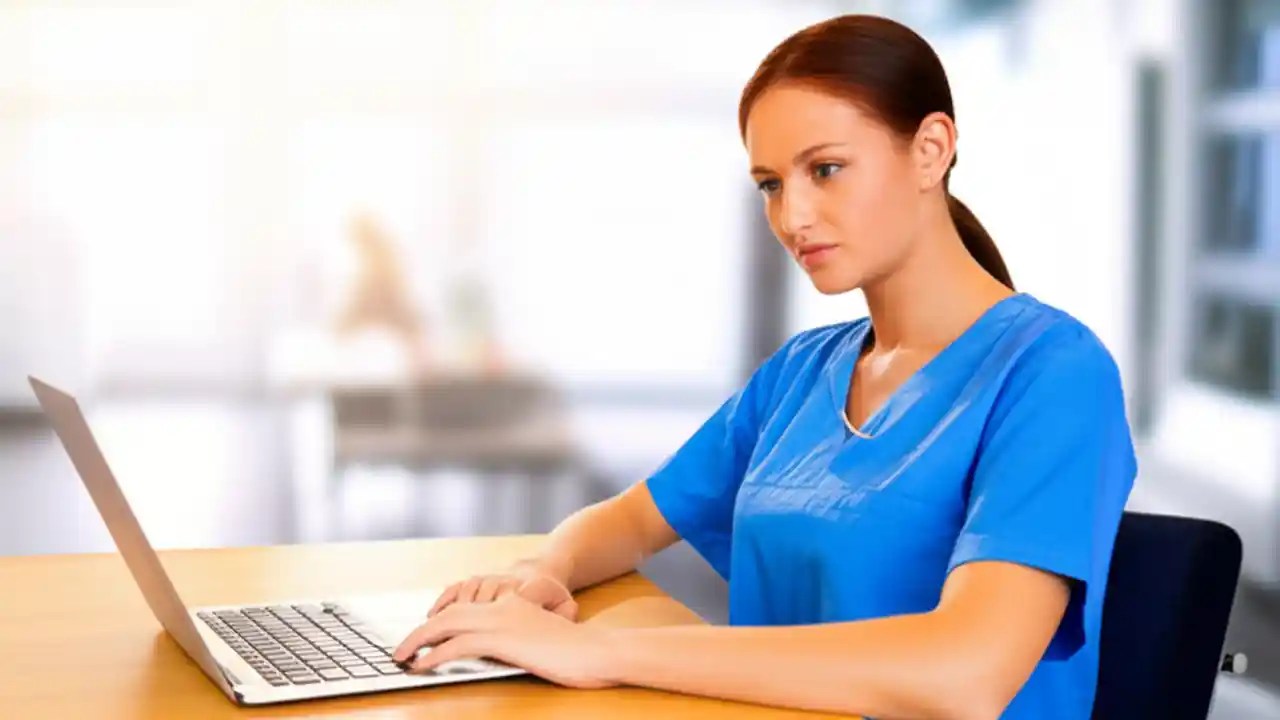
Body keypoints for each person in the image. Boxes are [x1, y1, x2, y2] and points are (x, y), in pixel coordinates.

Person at [392, 14, 1135, 719]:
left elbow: (966, 673)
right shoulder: (801, 374)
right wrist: (539, 574)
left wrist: (601, 651)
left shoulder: (1053, 375)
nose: (792, 217)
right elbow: (629, 521)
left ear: (931, 149)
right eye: (772, 184)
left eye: (827, 169)